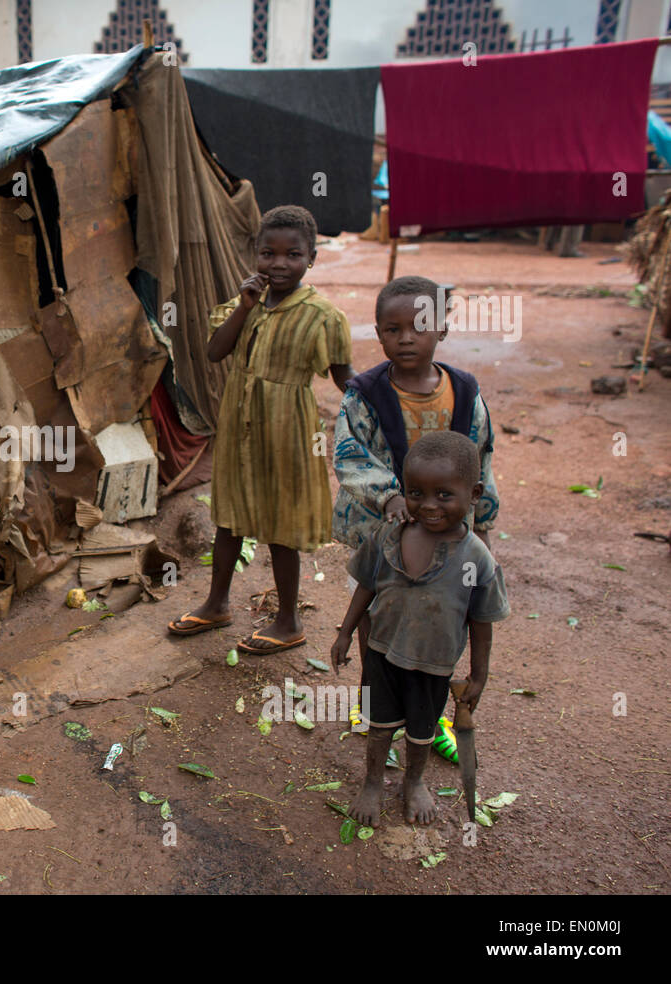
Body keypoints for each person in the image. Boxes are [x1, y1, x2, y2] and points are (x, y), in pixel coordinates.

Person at [167, 205, 354, 653]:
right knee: (230, 513)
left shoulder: (324, 316)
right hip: (239, 422)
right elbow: (215, 353)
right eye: (268, 253)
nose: (279, 264)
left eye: (293, 255)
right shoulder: (243, 303)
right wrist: (245, 307)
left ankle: (288, 620)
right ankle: (217, 603)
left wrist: (375, 421)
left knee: (280, 522)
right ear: (255, 255)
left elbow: (346, 381)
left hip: (289, 428)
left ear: (312, 258)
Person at [331, 275, 499, 729]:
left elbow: (480, 458)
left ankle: (428, 718)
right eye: (392, 328)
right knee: (376, 614)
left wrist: (481, 527)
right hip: (380, 535)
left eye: (419, 326)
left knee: (441, 621)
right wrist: (388, 498)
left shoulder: (463, 392)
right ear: (378, 331)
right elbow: (349, 455)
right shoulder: (364, 395)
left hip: (448, 540)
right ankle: (375, 710)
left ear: (442, 328)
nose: (405, 337)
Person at [330, 430, 508, 825]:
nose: (428, 506)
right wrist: (345, 633)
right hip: (381, 653)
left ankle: (414, 782)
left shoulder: (477, 560)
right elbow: (366, 586)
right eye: (416, 493)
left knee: (421, 732)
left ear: (474, 493)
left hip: (433, 665)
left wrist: (479, 675)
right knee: (378, 726)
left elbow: (482, 623)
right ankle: (373, 782)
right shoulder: (388, 536)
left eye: (444, 495)